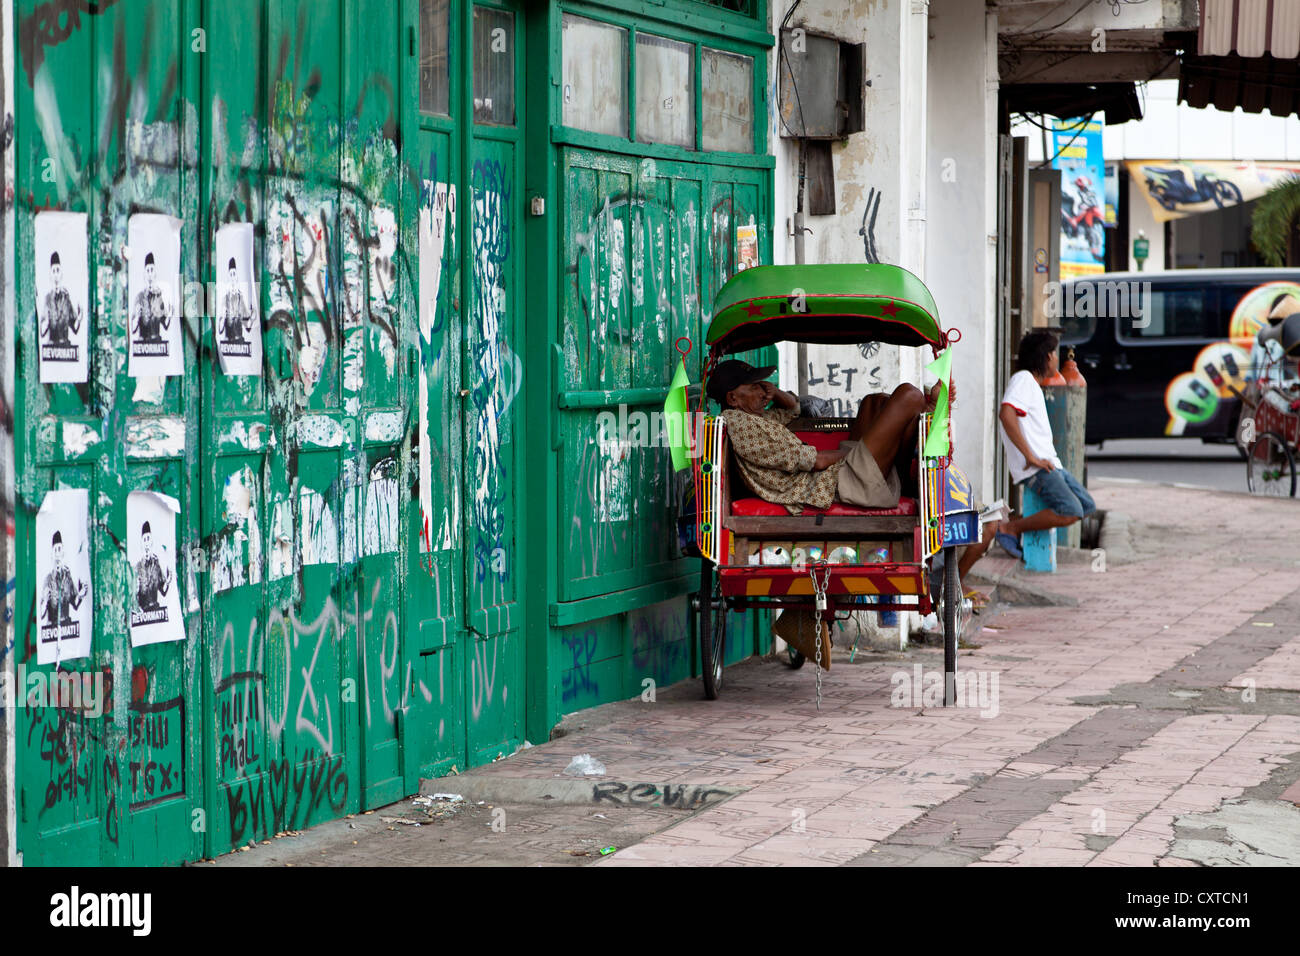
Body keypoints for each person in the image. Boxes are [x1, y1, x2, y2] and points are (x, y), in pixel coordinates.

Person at [710, 359, 947, 514]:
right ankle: (925, 415)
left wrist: (775, 392)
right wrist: (854, 453)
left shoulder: (753, 417)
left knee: (874, 402)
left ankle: (898, 476)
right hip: (833, 484)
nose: (763, 393)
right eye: (754, 387)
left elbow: (793, 409)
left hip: (834, 475)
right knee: (910, 395)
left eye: (762, 387)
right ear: (732, 398)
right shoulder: (740, 424)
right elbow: (817, 461)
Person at [993, 330, 1096, 558]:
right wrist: (1031, 457)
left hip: (1051, 464)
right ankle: (1009, 529)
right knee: (1070, 510)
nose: (1057, 359)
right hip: (1037, 468)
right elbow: (1006, 414)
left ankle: (1011, 522)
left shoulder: (1031, 384)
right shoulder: (1023, 379)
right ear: (1048, 356)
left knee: (1086, 505)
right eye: (1055, 354)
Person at [41, 530, 88, 628]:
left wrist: (81, 595)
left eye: (59, 549)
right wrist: (45, 601)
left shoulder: (67, 577)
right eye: (55, 550)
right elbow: (41, 614)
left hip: (66, 627)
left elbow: (75, 604)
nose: (57, 554)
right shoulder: (48, 579)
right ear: (52, 554)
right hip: (52, 628)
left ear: (63, 552)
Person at [41, 250, 82, 348]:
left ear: (61, 274)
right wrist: (46, 322)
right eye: (53, 271)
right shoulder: (47, 299)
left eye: (58, 271)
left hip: (65, 348)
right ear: (50, 275)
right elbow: (42, 331)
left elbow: (75, 328)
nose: (56, 275)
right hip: (51, 349)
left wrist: (80, 317)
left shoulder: (66, 299)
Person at [132, 251, 171, 346]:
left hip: (157, 344)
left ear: (155, 274)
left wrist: (170, 313)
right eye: (147, 271)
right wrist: (136, 317)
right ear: (144, 274)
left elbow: (165, 325)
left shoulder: (159, 297)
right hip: (142, 346)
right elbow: (133, 329)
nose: (150, 274)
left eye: (152, 270)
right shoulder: (139, 297)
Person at [135, 520, 172, 612]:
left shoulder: (156, 565)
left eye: (148, 539)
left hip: (156, 612)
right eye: (144, 540)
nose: (147, 543)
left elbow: (163, 592)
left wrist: (167, 582)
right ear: (141, 543)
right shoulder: (138, 567)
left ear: (151, 542)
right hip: (143, 614)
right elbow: (134, 595)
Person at [218, 257, 254, 348]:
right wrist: (223, 317)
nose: (233, 277)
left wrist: (252, 316)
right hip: (228, 344)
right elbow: (220, 329)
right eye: (231, 274)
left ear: (237, 277)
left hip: (240, 344)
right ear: (228, 277)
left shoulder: (240, 298)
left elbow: (248, 327)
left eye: (234, 274)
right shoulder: (225, 299)